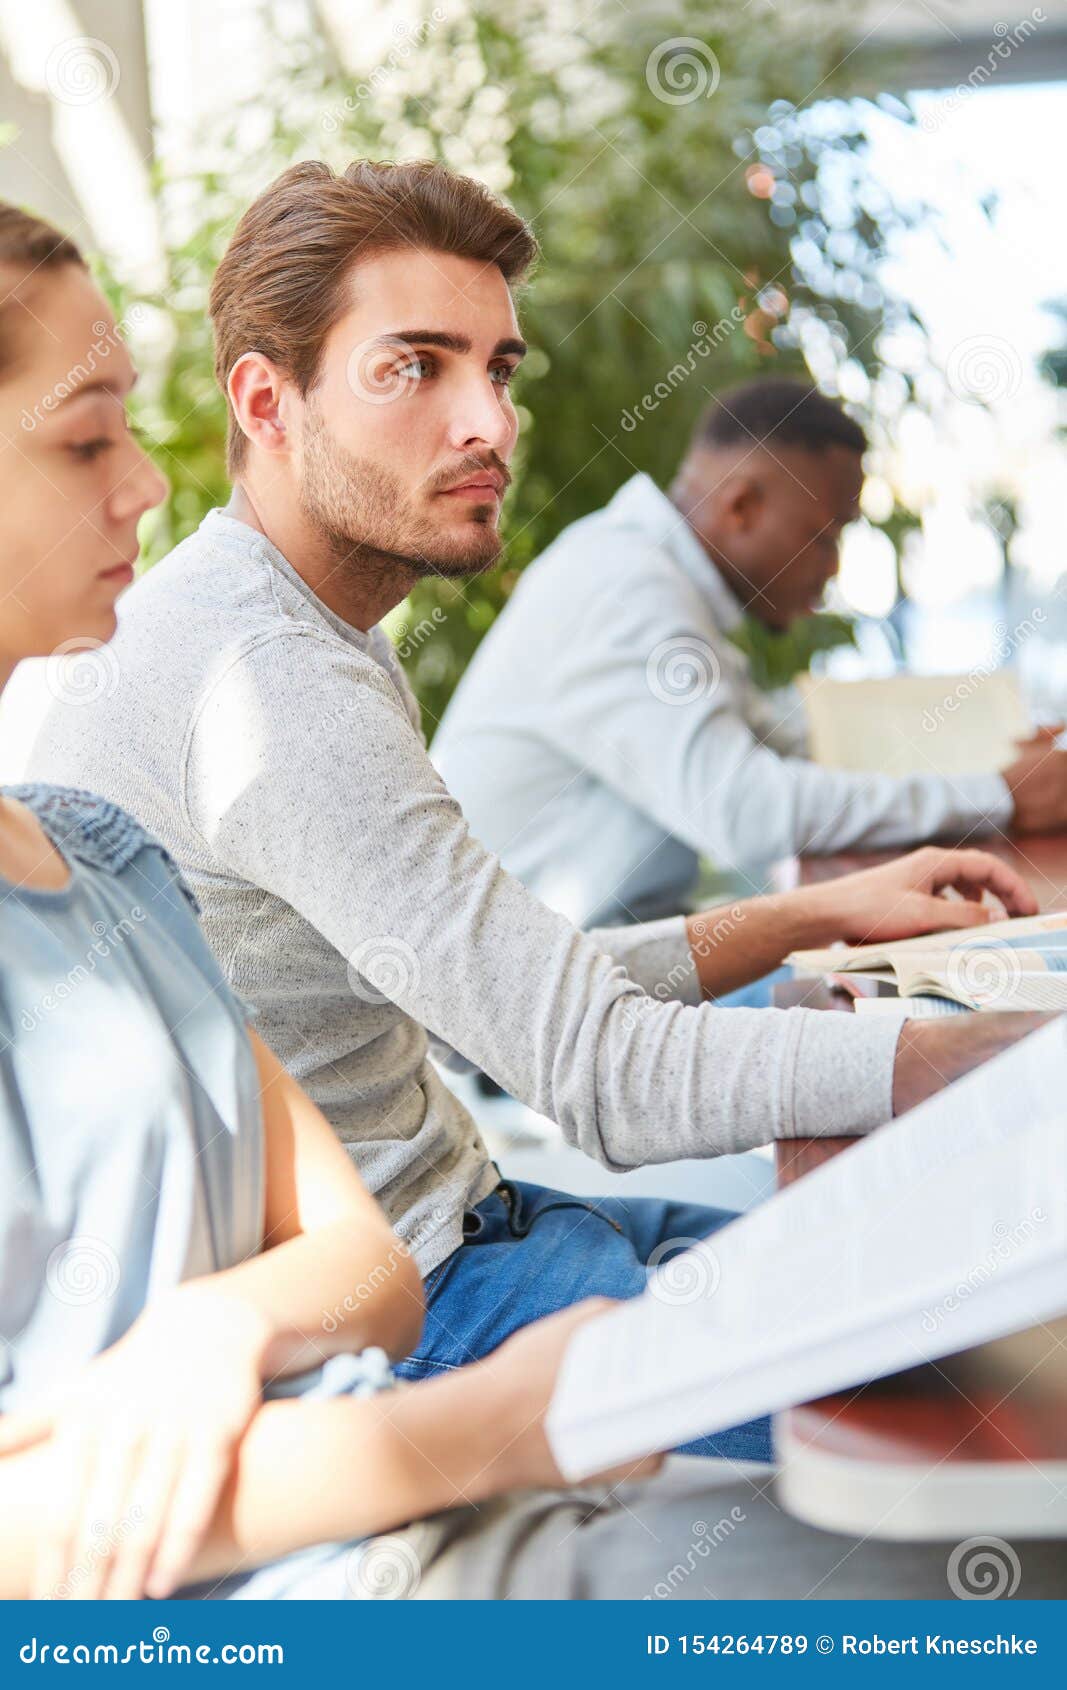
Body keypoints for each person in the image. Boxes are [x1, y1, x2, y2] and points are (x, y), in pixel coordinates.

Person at [9, 203, 1067, 1604]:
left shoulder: (285, 640)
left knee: (954, 1314)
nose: (486, 422)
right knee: (990, 1426)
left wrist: (805, 919)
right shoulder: (258, 678)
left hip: (477, 1230)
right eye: (413, 367)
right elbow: (599, 1071)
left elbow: (492, 989)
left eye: (498, 371)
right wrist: (970, 1062)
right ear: (266, 402)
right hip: (441, 1324)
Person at [433, 380, 1067, 928]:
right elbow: (743, 810)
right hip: (529, 1044)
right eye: (825, 535)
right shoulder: (626, 586)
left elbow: (787, 741)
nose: (835, 568)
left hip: (594, 982)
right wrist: (996, 794)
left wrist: (997, 752)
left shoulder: (649, 573)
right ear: (742, 505)